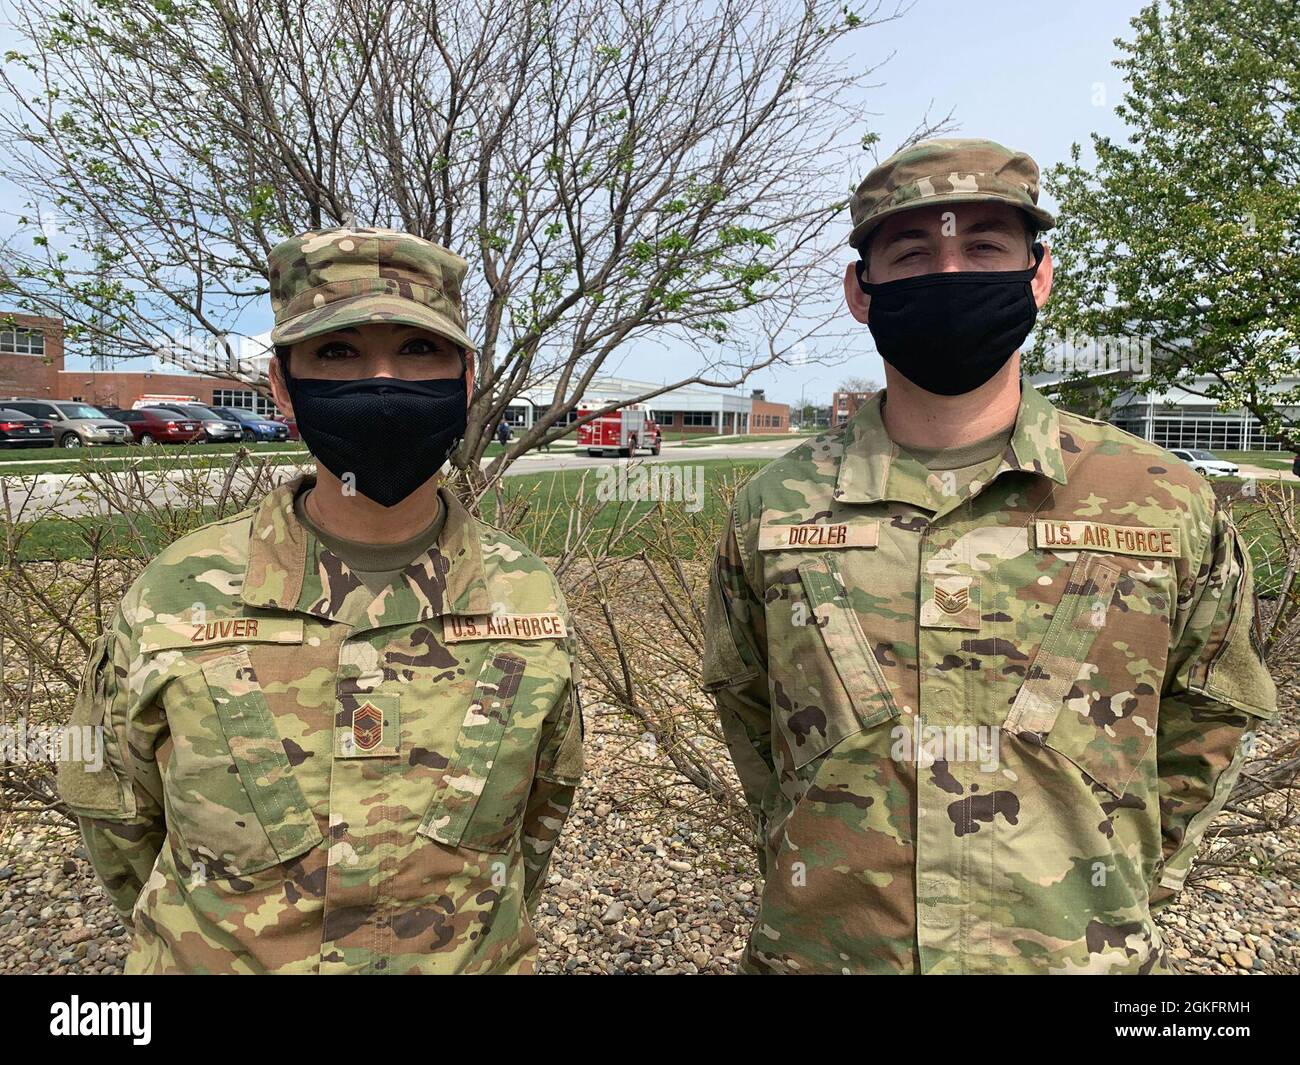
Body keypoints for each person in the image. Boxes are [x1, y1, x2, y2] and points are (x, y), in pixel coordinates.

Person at [702, 138, 1276, 974]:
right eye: (913, 252)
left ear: (1038, 275)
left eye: (984, 247)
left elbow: (1210, 715)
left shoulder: (1160, 497)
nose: (950, 272)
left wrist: (1120, 888)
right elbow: (752, 715)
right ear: (861, 291)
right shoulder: (774, 510)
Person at [56, 227, 583, 974]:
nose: (383, 383)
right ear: (282, 384)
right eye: (337, 353)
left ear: (465, 379)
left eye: (417, 350)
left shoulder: (525, 598)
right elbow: (118, 819)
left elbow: (537, 823)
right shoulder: (175, 596)